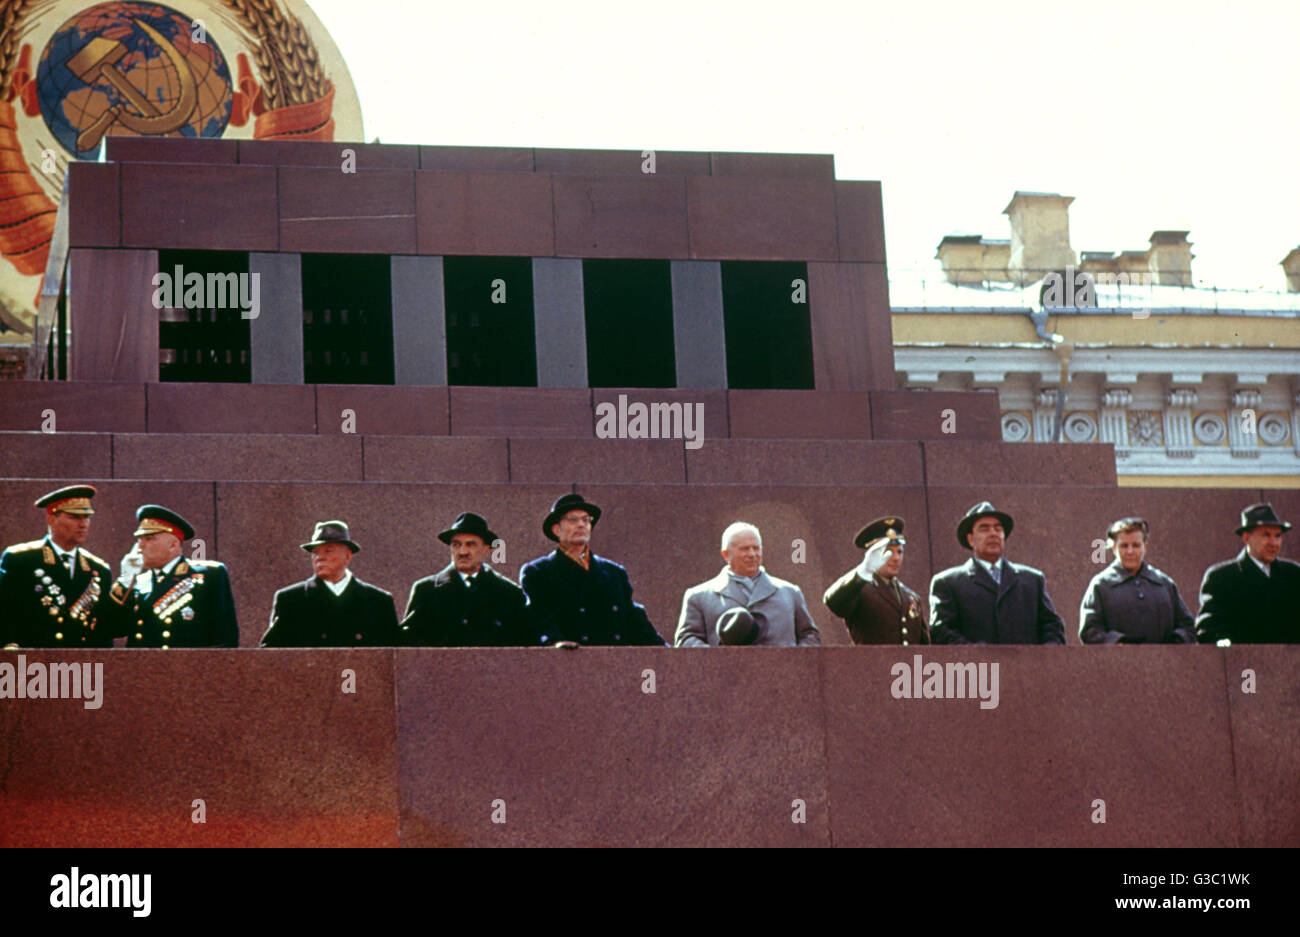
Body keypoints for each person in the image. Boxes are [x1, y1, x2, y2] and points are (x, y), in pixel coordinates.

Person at [519, 493, 664, 647]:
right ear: (556, 530)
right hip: (569, 661)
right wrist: (554, 642)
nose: (581, 525)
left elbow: (634, 619)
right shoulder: (539, 572)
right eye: (573, 520)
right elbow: (540, 615)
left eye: (586, 520)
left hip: (615, 662)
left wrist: (666, 653)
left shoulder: (614, 572)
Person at [929, 501, 1065, 645]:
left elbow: (1053, 627)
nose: (993, 534)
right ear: (970, 539)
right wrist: (978, 655)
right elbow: (940, 631)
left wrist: (1044, 658)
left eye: (998, 529)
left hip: (1027, 666)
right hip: (978, 666)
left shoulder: (1033, 580)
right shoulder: (948, 583)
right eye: (984, 529)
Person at [0, 485, 118, 648]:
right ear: (51, 518)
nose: (83, 524)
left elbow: (104, 631)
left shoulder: (98, 569)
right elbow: (5, 612)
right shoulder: (22, 559)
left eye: (86, 517)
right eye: (75, 517)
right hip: (34, 662)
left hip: (82, 666)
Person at [109, 504, 238, 648]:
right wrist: (125, 581)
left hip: (188, 668)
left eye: (149, 538)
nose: (141, 546)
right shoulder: (137, 582)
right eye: (139, 539)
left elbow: (225, 640)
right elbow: (113, 629)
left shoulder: (208, 575)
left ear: (173, 545)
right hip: (142, 668)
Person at [675, 522, 820, 647]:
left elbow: (810, 636)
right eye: (744, 549)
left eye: (756, 548)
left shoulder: (790, 593)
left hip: (783, 674)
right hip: (725, 675)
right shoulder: (698, 597)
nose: (752, 554)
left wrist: (793, 659)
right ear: (726, 554)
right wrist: (716, 658)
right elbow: (686, 640)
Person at [261, 520, 399, 647]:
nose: (320, 557)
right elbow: (271, 655)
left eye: (328, 550)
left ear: (347, 556)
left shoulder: (378, 602)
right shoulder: (291, 600)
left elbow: (395, 657)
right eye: (315, 552)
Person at [400, 512, 529, 646]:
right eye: (456, 545)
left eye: (470, 545)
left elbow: (522, 644)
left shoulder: (509, 594)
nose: (462, 552)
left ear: (486, 550)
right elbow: (407, 642)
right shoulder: (426, 591)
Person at [1079, 517, 1195, 645]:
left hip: (1164, 662)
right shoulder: (1101, 585)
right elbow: (1089, 630)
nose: (1130, 551)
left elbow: (1188, 626)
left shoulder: (1164, 583)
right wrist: (1116, 642)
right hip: (1117, 662)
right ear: (1113, 548)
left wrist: (1176, 641)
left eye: (1136, 545)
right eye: (1124, 546)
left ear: (1145, 546)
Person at [1196, 503, 1300, 645]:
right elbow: (1208, 627)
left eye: (1278, 536)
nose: (1273, 543)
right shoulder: (1221, 577)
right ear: (1246, 538)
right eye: (1266, 535)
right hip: (1243, 665)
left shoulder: (1294, 575)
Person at [823, 516, 927, 645]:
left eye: (899, 552)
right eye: (888, 552)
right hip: (871, 664)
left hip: (906, 665)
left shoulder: (911, 597)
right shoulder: (859, 588)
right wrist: (862, 572)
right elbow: (833, 602)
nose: (896, 558)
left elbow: (924, 646)